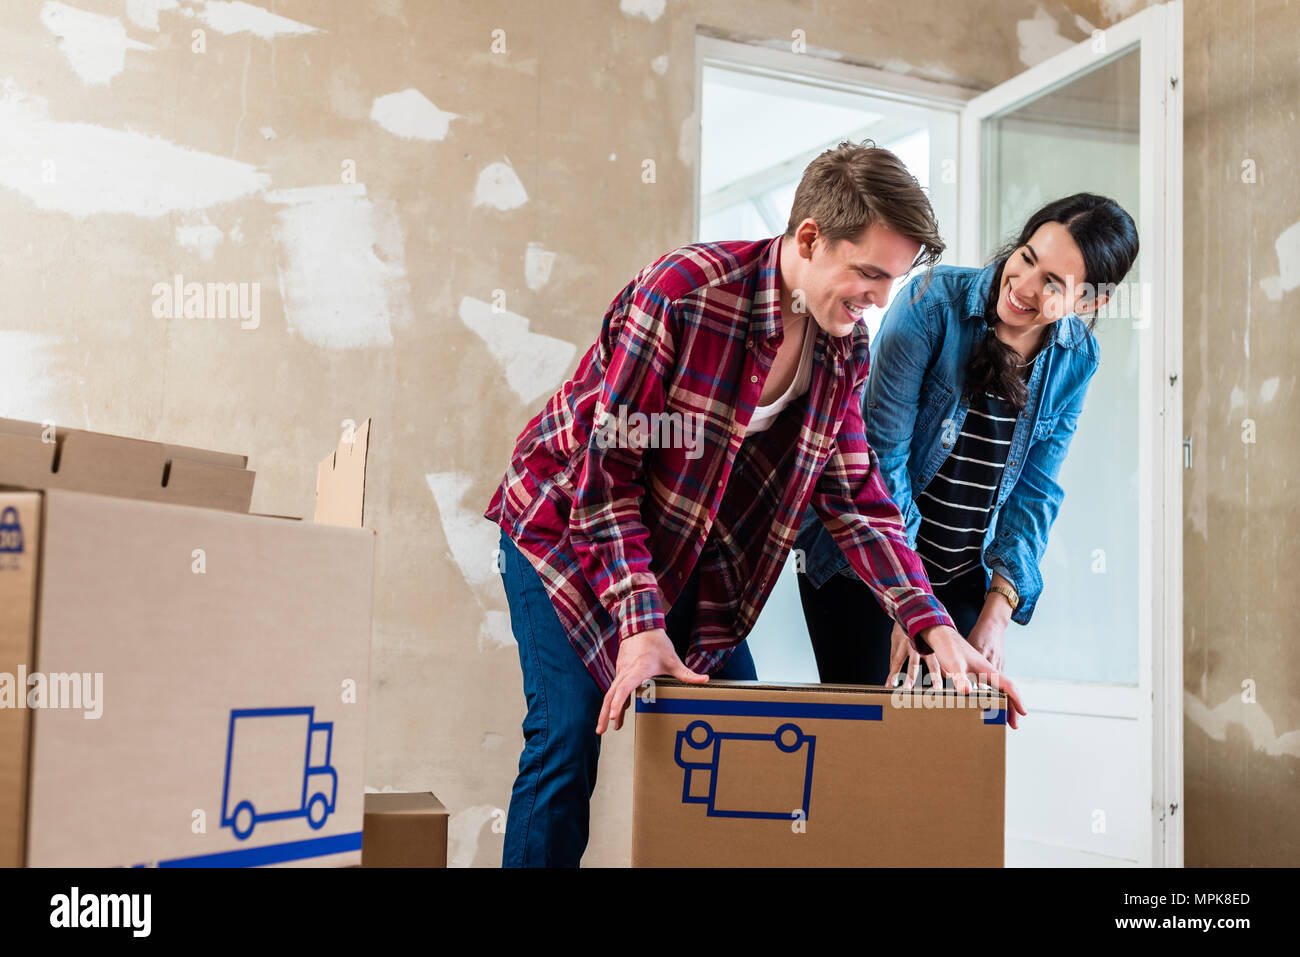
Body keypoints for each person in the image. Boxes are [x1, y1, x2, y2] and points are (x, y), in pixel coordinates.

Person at [483, 140, 1026, 868]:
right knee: (568, 730)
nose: (878, 300)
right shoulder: (681, 296)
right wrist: (639, 628)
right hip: (565, 531)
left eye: (892, 281)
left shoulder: (842, 349)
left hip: (686, 556)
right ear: (808, 237)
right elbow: (607, 476)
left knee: (744, 740)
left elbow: (858, 501)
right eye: (868, 273)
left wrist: (930, 624)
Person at [795, 193, 1139, 690]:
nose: (1022, 287)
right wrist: (908, 601)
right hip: (868, 563)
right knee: (867, 742)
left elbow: (1036, 491)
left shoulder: (1077, 358)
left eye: (1052, 284)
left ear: (1089, 303)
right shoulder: (931, 303)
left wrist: (999, 608)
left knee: (945, 745)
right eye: (1026, 258)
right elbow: (882, 459)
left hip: (958, 575)